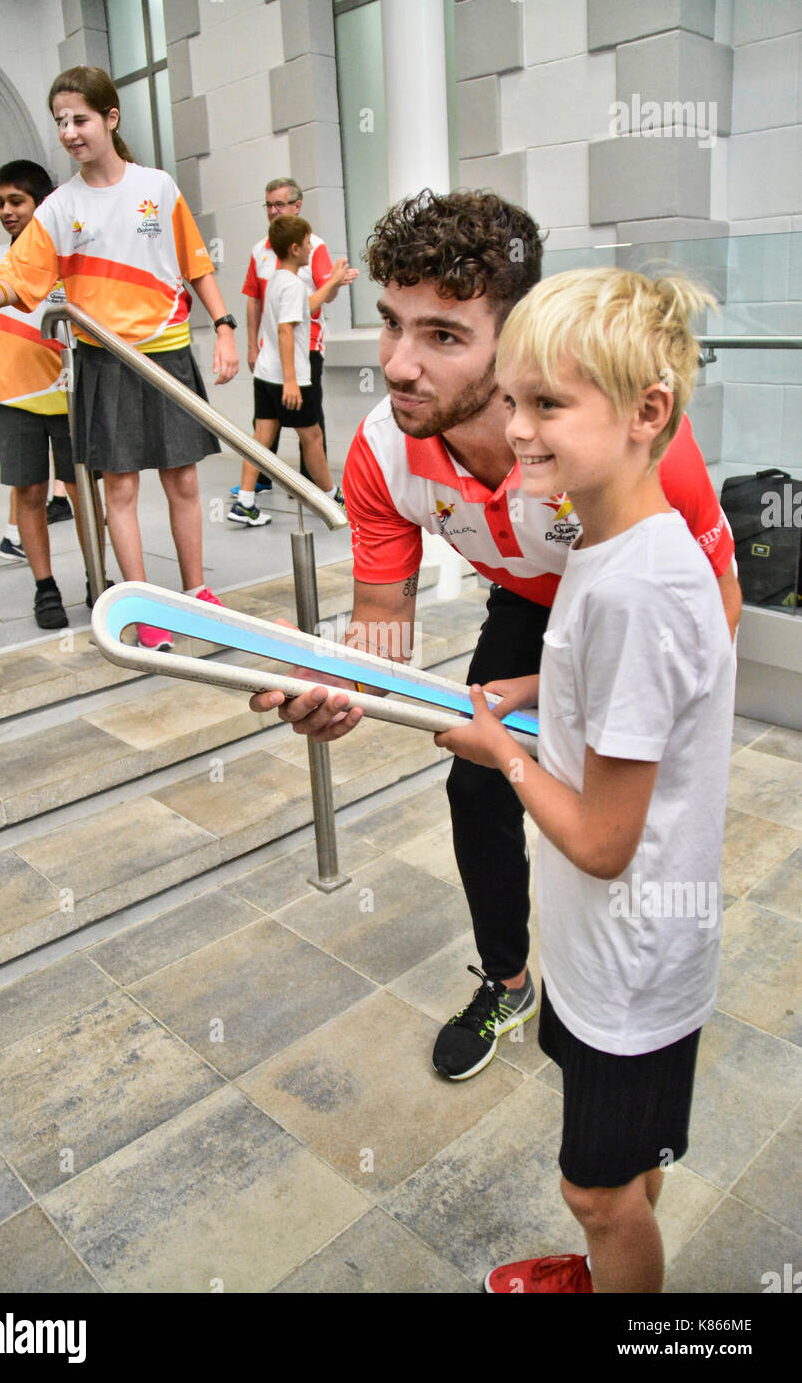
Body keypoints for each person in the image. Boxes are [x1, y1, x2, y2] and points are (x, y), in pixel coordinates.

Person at [248, 191, 742, 1082]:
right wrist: (340, 685)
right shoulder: (382, 453)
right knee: (476, 787)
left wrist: (614, 714)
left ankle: (643, 1008)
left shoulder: (631, 447)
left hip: (631, 602)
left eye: (442, 336)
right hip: (529, 604)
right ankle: (509, 981)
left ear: (515, 343)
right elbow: (383, 630)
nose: (398, 365)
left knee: (617, 820)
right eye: (392, 323)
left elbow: (717, 609)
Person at [433, 266, 735, 1293]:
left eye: (549, 403)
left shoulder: (636, 590)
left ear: (650, 413)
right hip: (611, 946)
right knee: (624, 1166)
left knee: (597, 1191)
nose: (516, 430)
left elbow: (604, 838)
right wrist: (535, 689)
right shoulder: (611, 545)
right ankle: (614, 1266)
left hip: (632, 963)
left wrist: (504, 753)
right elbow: (618, 713)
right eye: (513, 399)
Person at [0, 66, 240, 651]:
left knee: (183, 480)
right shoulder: (60, 206)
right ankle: (144, 604)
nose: (69, 132)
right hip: (104, 362)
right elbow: (21, 279)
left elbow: (194, 263)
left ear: (110, 118)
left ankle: (197, 592)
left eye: (79, 119)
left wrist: (226, 328)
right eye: (60, 121)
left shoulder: (156, 187)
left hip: (167, 352)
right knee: (121, 490)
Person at [0, 163, 97, 629]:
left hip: (70, 398)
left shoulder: (69, 259)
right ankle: (45, 588)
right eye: (1, 202)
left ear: (41, 204)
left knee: (83, 493)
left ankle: (97, 579)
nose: (6, 211)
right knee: (28, 493)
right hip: (15, 401)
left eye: (16, 201)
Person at [236, 176, 357, 498]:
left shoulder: (280, 277)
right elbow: (286, 327)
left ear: (295, 205)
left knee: (263, 434)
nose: (273, 210)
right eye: (270, 204)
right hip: (288, 370)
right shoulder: (286, 279)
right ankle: (328, 495)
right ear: (295, 248)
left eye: (280, 204)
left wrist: (332, 281)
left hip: (270, 368)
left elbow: (305, 306)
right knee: (311, 434)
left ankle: (246, 500)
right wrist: (290, 379)